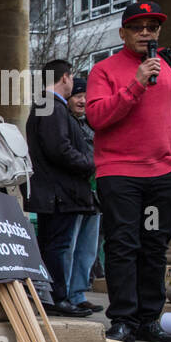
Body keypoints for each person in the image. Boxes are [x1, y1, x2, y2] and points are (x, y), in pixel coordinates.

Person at [86, 0, 171, 342]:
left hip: (162, 173)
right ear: (123, 33)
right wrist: (135, 85)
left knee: (154, 246)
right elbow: (97, 117)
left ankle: (150, 320)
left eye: (152, 27)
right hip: (120, 174)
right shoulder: (104, 70)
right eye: (138, 27)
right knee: (123, 245)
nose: (146, 33)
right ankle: (123, 320)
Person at [24, 59, 97, 318]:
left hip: (55, 192)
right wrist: (91, 163)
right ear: (65, 78)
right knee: (58, 246)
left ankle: (54, 297)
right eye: (72, 79)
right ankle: (59, 298)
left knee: (53, 245)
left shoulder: (48, 106)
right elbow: (60, 149)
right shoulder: (52, 106)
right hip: (59, 194)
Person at [62, 77, 102, 313]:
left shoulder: (93, 124)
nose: (83, 101)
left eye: (86, 96)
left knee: (88, 249)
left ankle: (78, 294)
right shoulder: (63, 122)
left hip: (95, 195)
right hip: (73, 195)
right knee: (69, 246)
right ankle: (65, 293)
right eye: (78, 95)